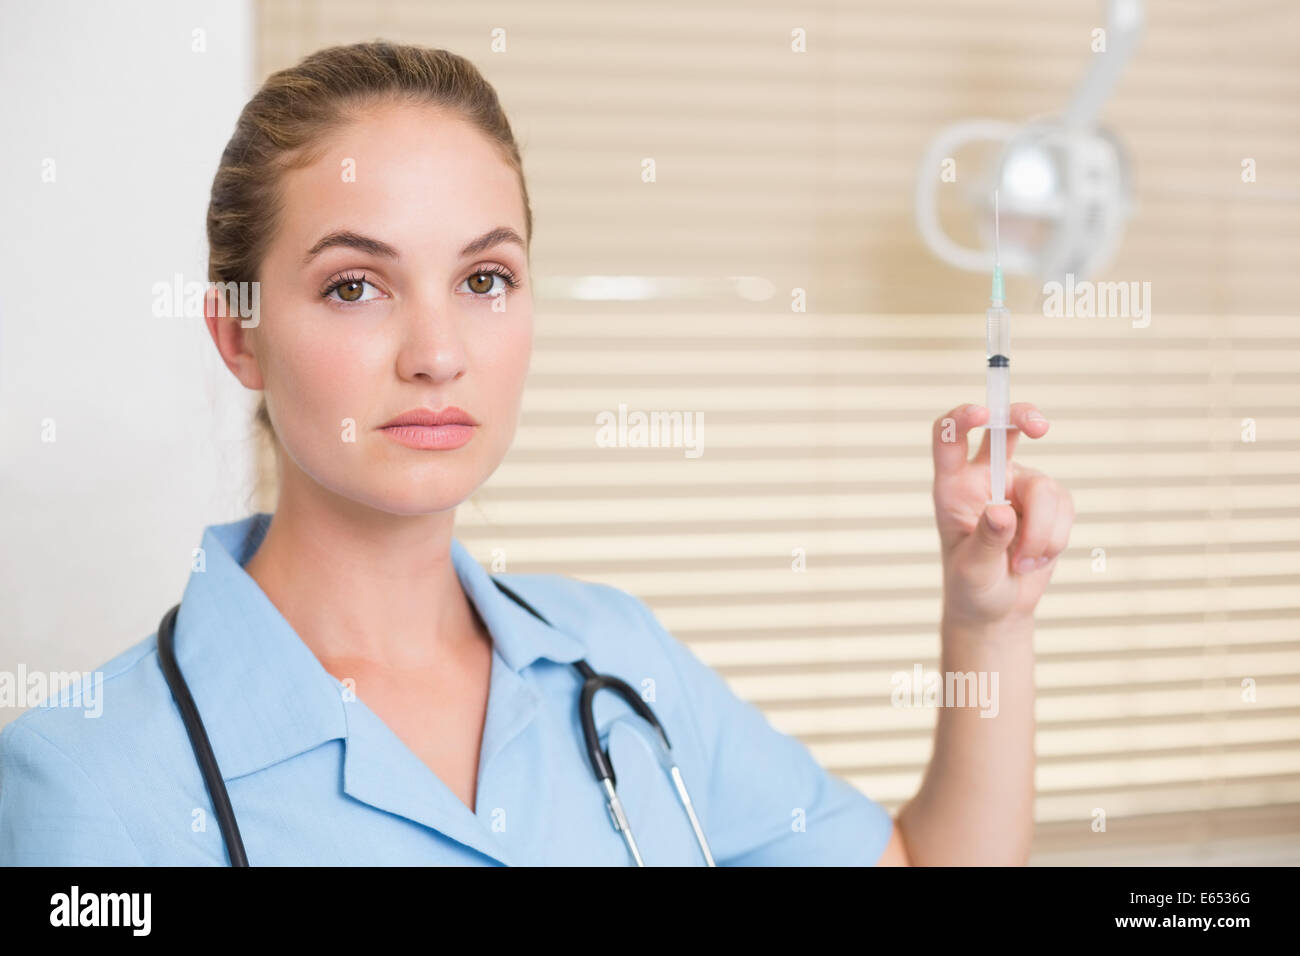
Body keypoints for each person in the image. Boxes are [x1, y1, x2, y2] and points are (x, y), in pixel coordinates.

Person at [0, 41, 1073, 866]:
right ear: (239, 334)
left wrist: (988, 622)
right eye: (355, 286)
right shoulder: (87, 781)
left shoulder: (620, 660)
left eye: (484, 279)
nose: (437, 353)